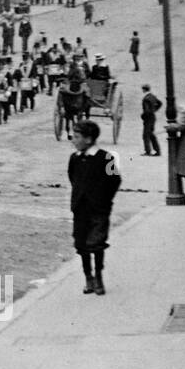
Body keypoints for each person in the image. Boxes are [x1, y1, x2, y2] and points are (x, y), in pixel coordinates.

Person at [68, 119, 122, 296]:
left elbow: (115, 181)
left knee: (97, 244)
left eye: (77, 137)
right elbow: (72, 178)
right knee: (82, 244)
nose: (73, 140)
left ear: (89, 139)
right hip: (80, 208)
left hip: (99, 209)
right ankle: (88, 278)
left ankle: (99, 276)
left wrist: (104, 201)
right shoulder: (74, 159)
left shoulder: (106, 157)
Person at [140, 84, 163, 156]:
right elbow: (160, 103)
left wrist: (143, 116)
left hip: (148, 118)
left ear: (144, 89)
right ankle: (157, 150)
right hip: (153, 117)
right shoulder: (153, 96)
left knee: (145, 135)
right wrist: (154, 110)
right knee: (151, 134)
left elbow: (146, 110)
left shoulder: (146, 99)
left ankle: (148, 151)